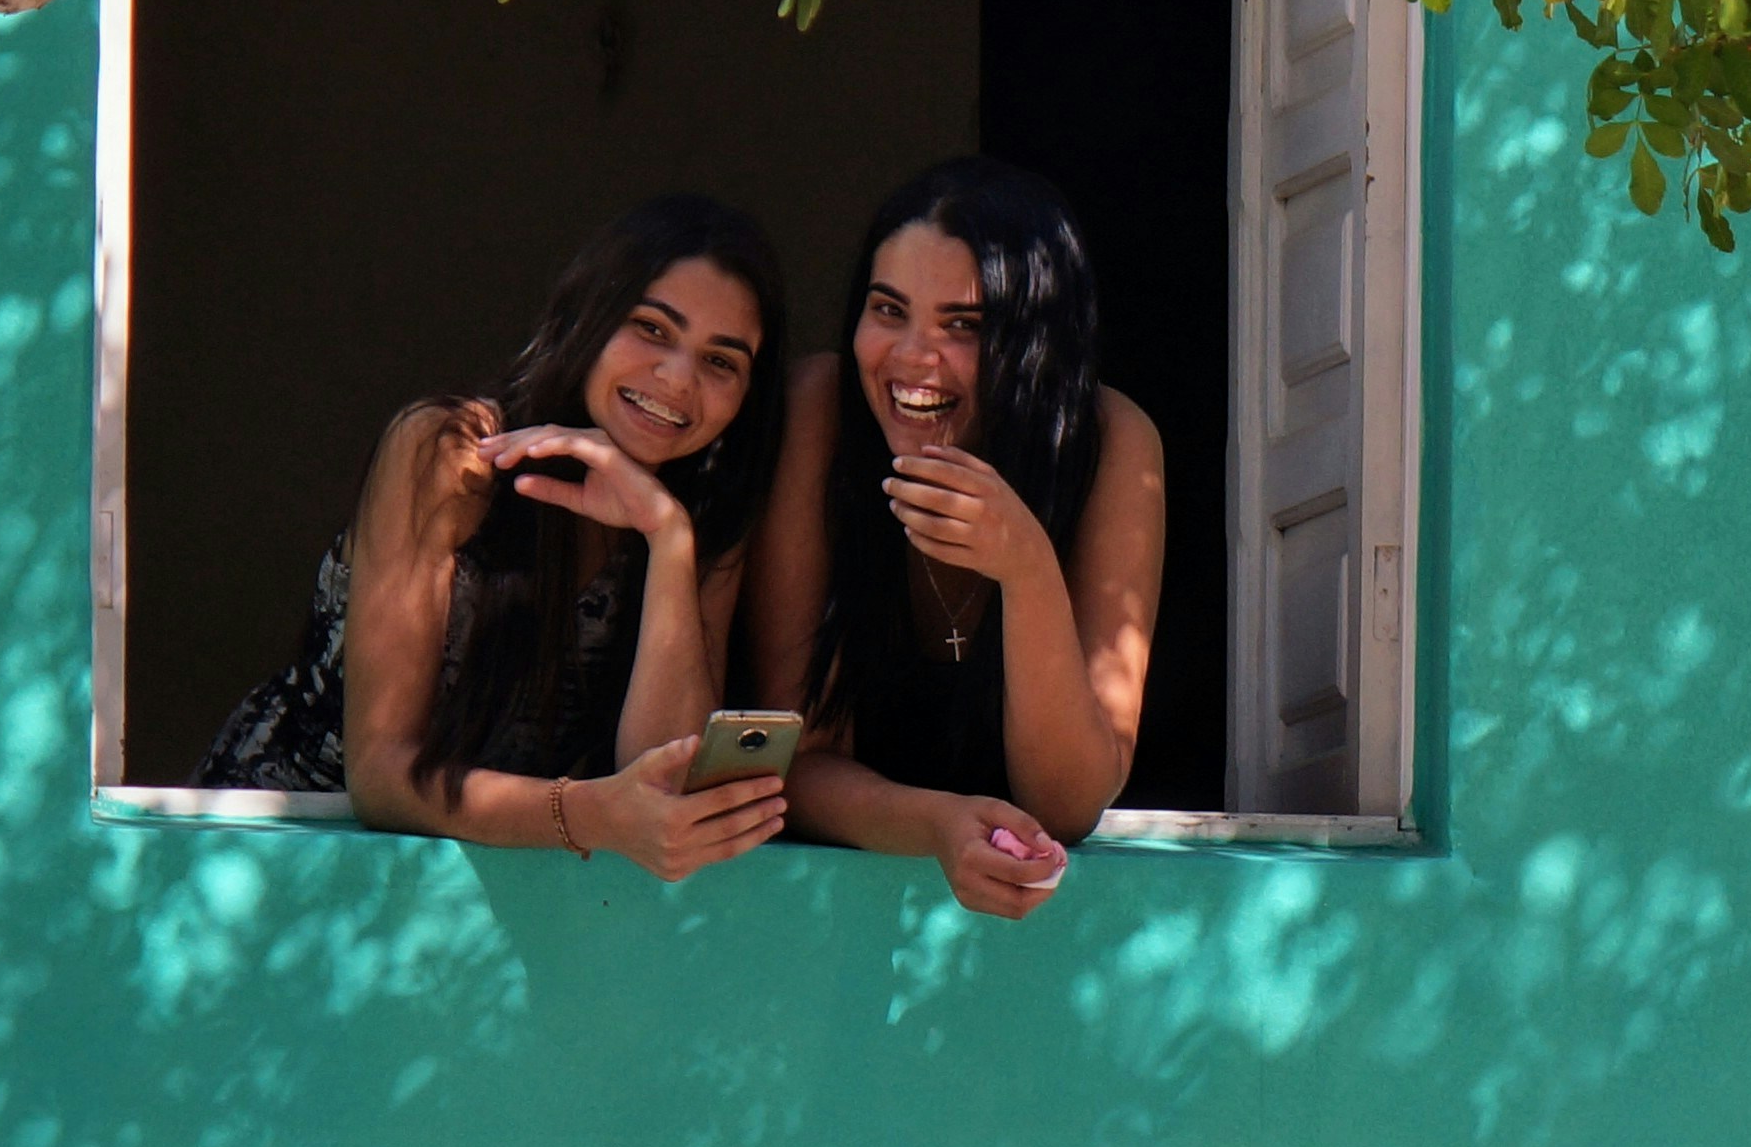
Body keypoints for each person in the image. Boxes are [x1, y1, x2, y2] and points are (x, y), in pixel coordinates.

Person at [199, 194, 796, 878]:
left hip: (480, 887)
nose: (677, 378)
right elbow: (381, 774)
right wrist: (592, 815)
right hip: (272, 858)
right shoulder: (454, 452)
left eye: (721, 362)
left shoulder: (700, 520)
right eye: (652, 329)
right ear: (586, 318)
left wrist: (665, 537)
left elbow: (660, 782)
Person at [746, 158, 1167, 917]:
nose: (912, 357)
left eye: (963, 326)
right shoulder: (819, 414)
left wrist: (1027, 567)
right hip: (820, 929)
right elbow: (796, 756)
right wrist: (936, 827)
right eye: (887, 310)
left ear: (1037, 341)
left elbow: (1068, 801)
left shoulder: (1111, 443)